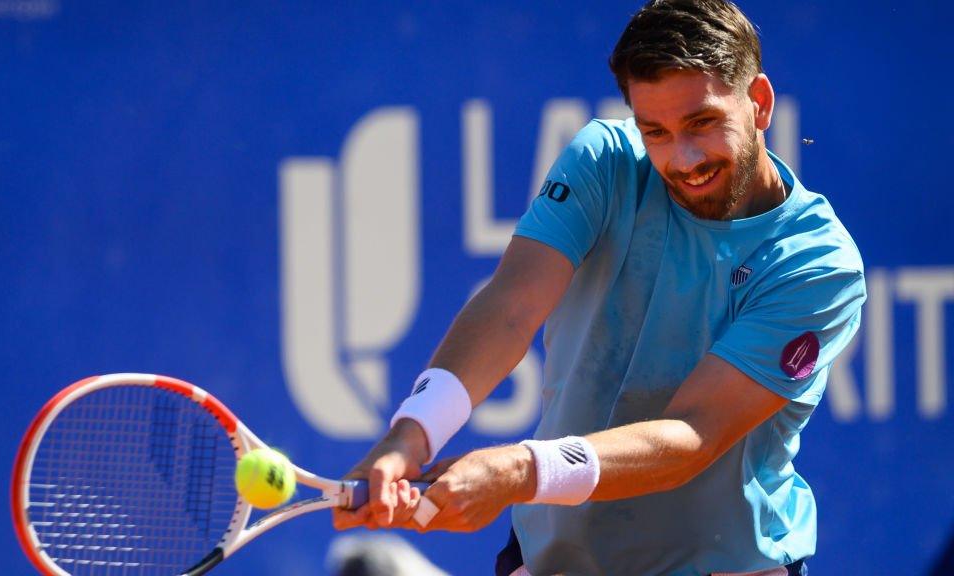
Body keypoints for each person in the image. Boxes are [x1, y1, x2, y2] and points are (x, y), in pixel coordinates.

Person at [334, 0, 866, 574]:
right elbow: (511, 307)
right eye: (654, 131)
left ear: (759, 103)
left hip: (725, 565)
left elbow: (692, 434)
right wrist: (411, 436)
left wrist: (518, 471)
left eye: (702, 123)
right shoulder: (604, 161)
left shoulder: (817, 263)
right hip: (556, 555)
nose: (682, 158)